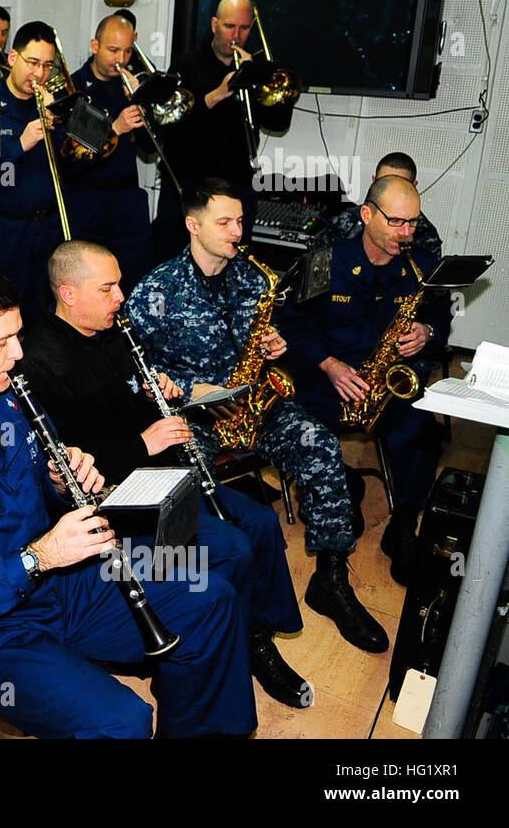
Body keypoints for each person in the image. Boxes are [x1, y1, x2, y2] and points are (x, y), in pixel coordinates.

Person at [0, 262, 256, 737]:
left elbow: (36, 493)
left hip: (57, 581)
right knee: (125, 722)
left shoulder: (9, 395)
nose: (18, 353)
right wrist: (39, 557)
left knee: (210, 597)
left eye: (18, 335)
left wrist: (58, 477)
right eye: (1, 342)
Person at [22, 240, 309, 709]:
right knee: (232, 548)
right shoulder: (40, 360)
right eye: (109, 288)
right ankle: (200, 650)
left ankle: (251, 634)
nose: (121, 297)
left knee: (260, 520)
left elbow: (128, 406)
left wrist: (164, 394)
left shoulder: (113, 334)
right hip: (115, 498)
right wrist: (145, 441)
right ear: (68, 294)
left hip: (157, 474)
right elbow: (63, 466)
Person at [126, 179, 389, 654]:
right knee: (184, 489)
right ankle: (203, 605)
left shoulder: (253, 277)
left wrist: (276, 348)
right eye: (224, 222)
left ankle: (331, 578)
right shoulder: (155, 290)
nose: (236, 231)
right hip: (194, 416)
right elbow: (129, 371)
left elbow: (267, 340)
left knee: (319, 443)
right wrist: (187, 389)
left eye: (240, 221)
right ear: (193, 225)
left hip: (253, 404)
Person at [278, 175, 448, 585]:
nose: (405, 234)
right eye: (395, 222)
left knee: (423, 430)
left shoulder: (421, 267)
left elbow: (442, 319)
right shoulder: (324, 262)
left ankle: (404, 526)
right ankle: (344, 487)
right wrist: (328, 364)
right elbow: (287, 324)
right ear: (367, 215)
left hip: (385, 382)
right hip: (325, 379)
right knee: (305, 434)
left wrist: (427, 332)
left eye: (412, 223)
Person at [0, 21, 65, 320]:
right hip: (0, 229)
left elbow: (75, 159)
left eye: (47, 66)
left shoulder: (51, 105)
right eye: (32, 63)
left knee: (41, 312)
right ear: (12, 59)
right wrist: (20, 144)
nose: (40, 74)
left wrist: (57, 118)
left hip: (46, 227)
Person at [156, 0, 268, 262]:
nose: (236, 35)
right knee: (175, 260)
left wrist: (259, 79)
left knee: (234, 263)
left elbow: (277, 122)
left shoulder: (255, 67)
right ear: (215, 24)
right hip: (189, 183)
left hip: (236, 183)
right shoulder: (186, 64)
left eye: (244, 28)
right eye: (230, 26)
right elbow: (171, 126)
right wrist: (217, 94)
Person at [64, 14, 154, 292]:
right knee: (91, 283)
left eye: (128, 51)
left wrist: (144, 102)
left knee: (134, 279)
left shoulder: (131, 84)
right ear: (95, 45)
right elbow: (74, 158)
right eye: (113, 50)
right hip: (89, 199)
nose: (122, 58)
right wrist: (115, 128)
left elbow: (151, 149)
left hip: (127, 199)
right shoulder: (75, 87)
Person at [316, 152, 443, 256]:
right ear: (374, 181)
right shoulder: (347, 220)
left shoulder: (426, 235)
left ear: (414, 186)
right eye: (384, 183)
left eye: (401, 185)